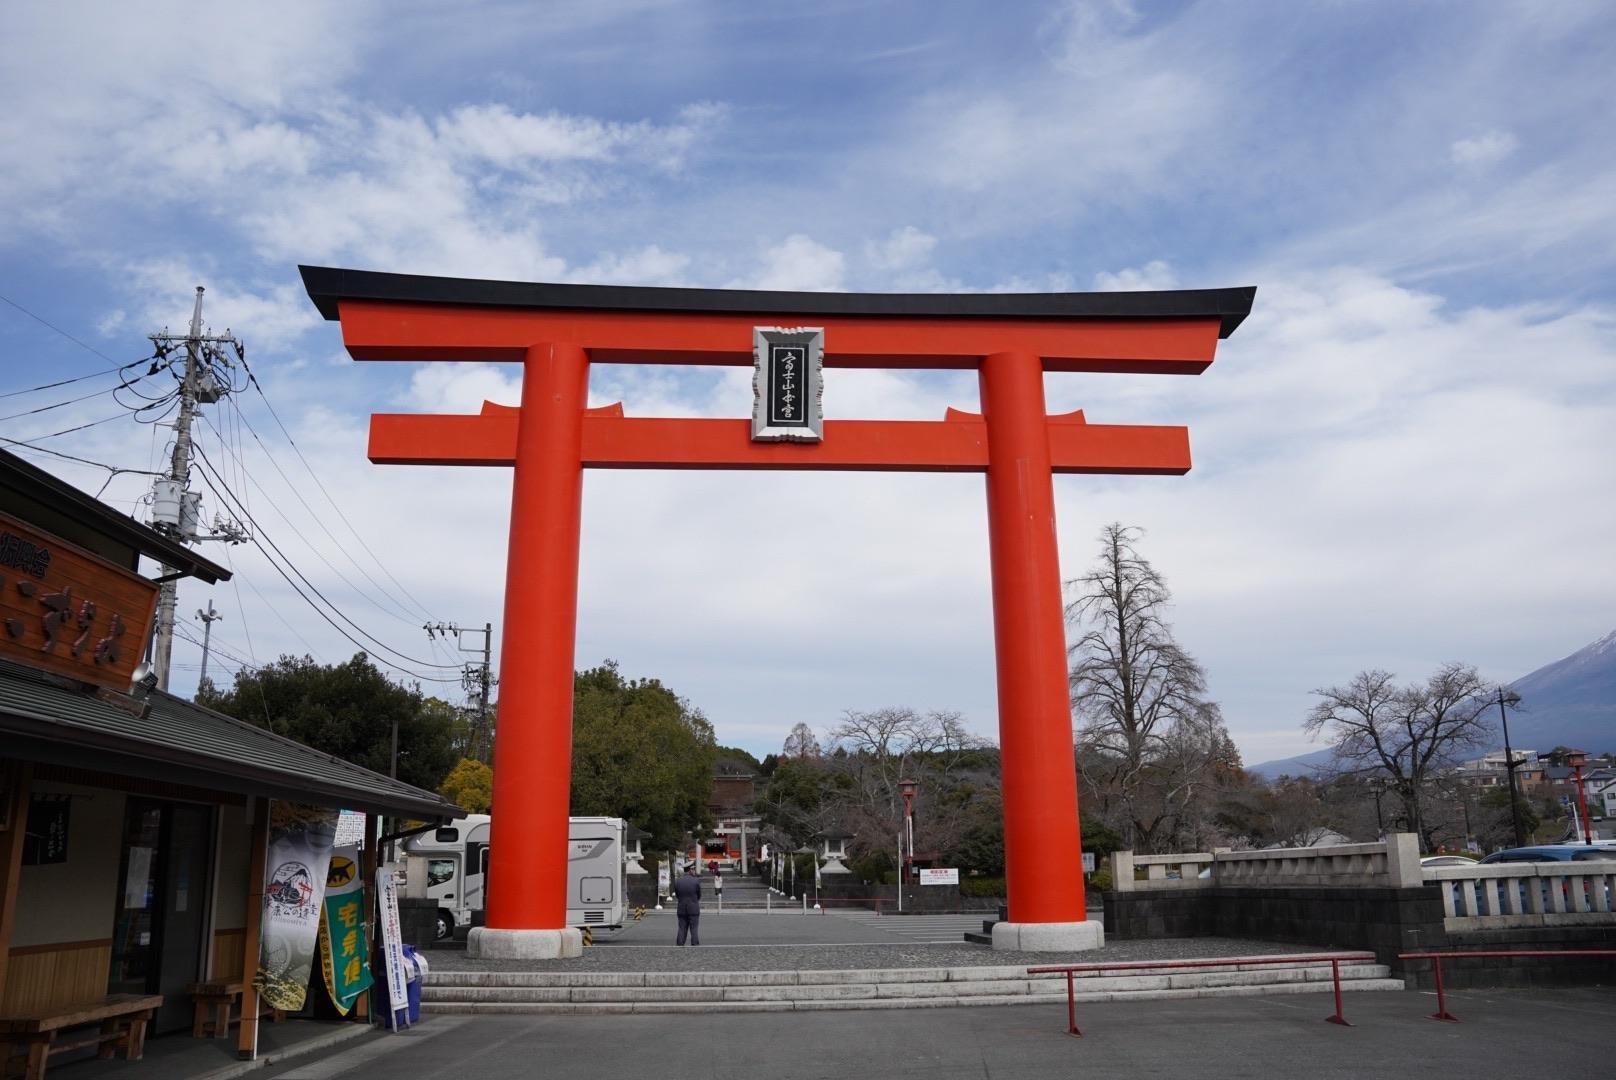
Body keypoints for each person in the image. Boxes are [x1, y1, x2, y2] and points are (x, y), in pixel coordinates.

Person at [673, 863, 701, 945]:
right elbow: (699, 895)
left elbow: (677, 895)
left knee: (682, 927)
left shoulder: (678, 881)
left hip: (681, 907)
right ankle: (695, 943)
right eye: (693, 869)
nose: (694, 871)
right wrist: (694, 901)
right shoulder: (696, 881)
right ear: (690, 870)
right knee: (694, 928)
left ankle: (680, 942)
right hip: (693, 908)